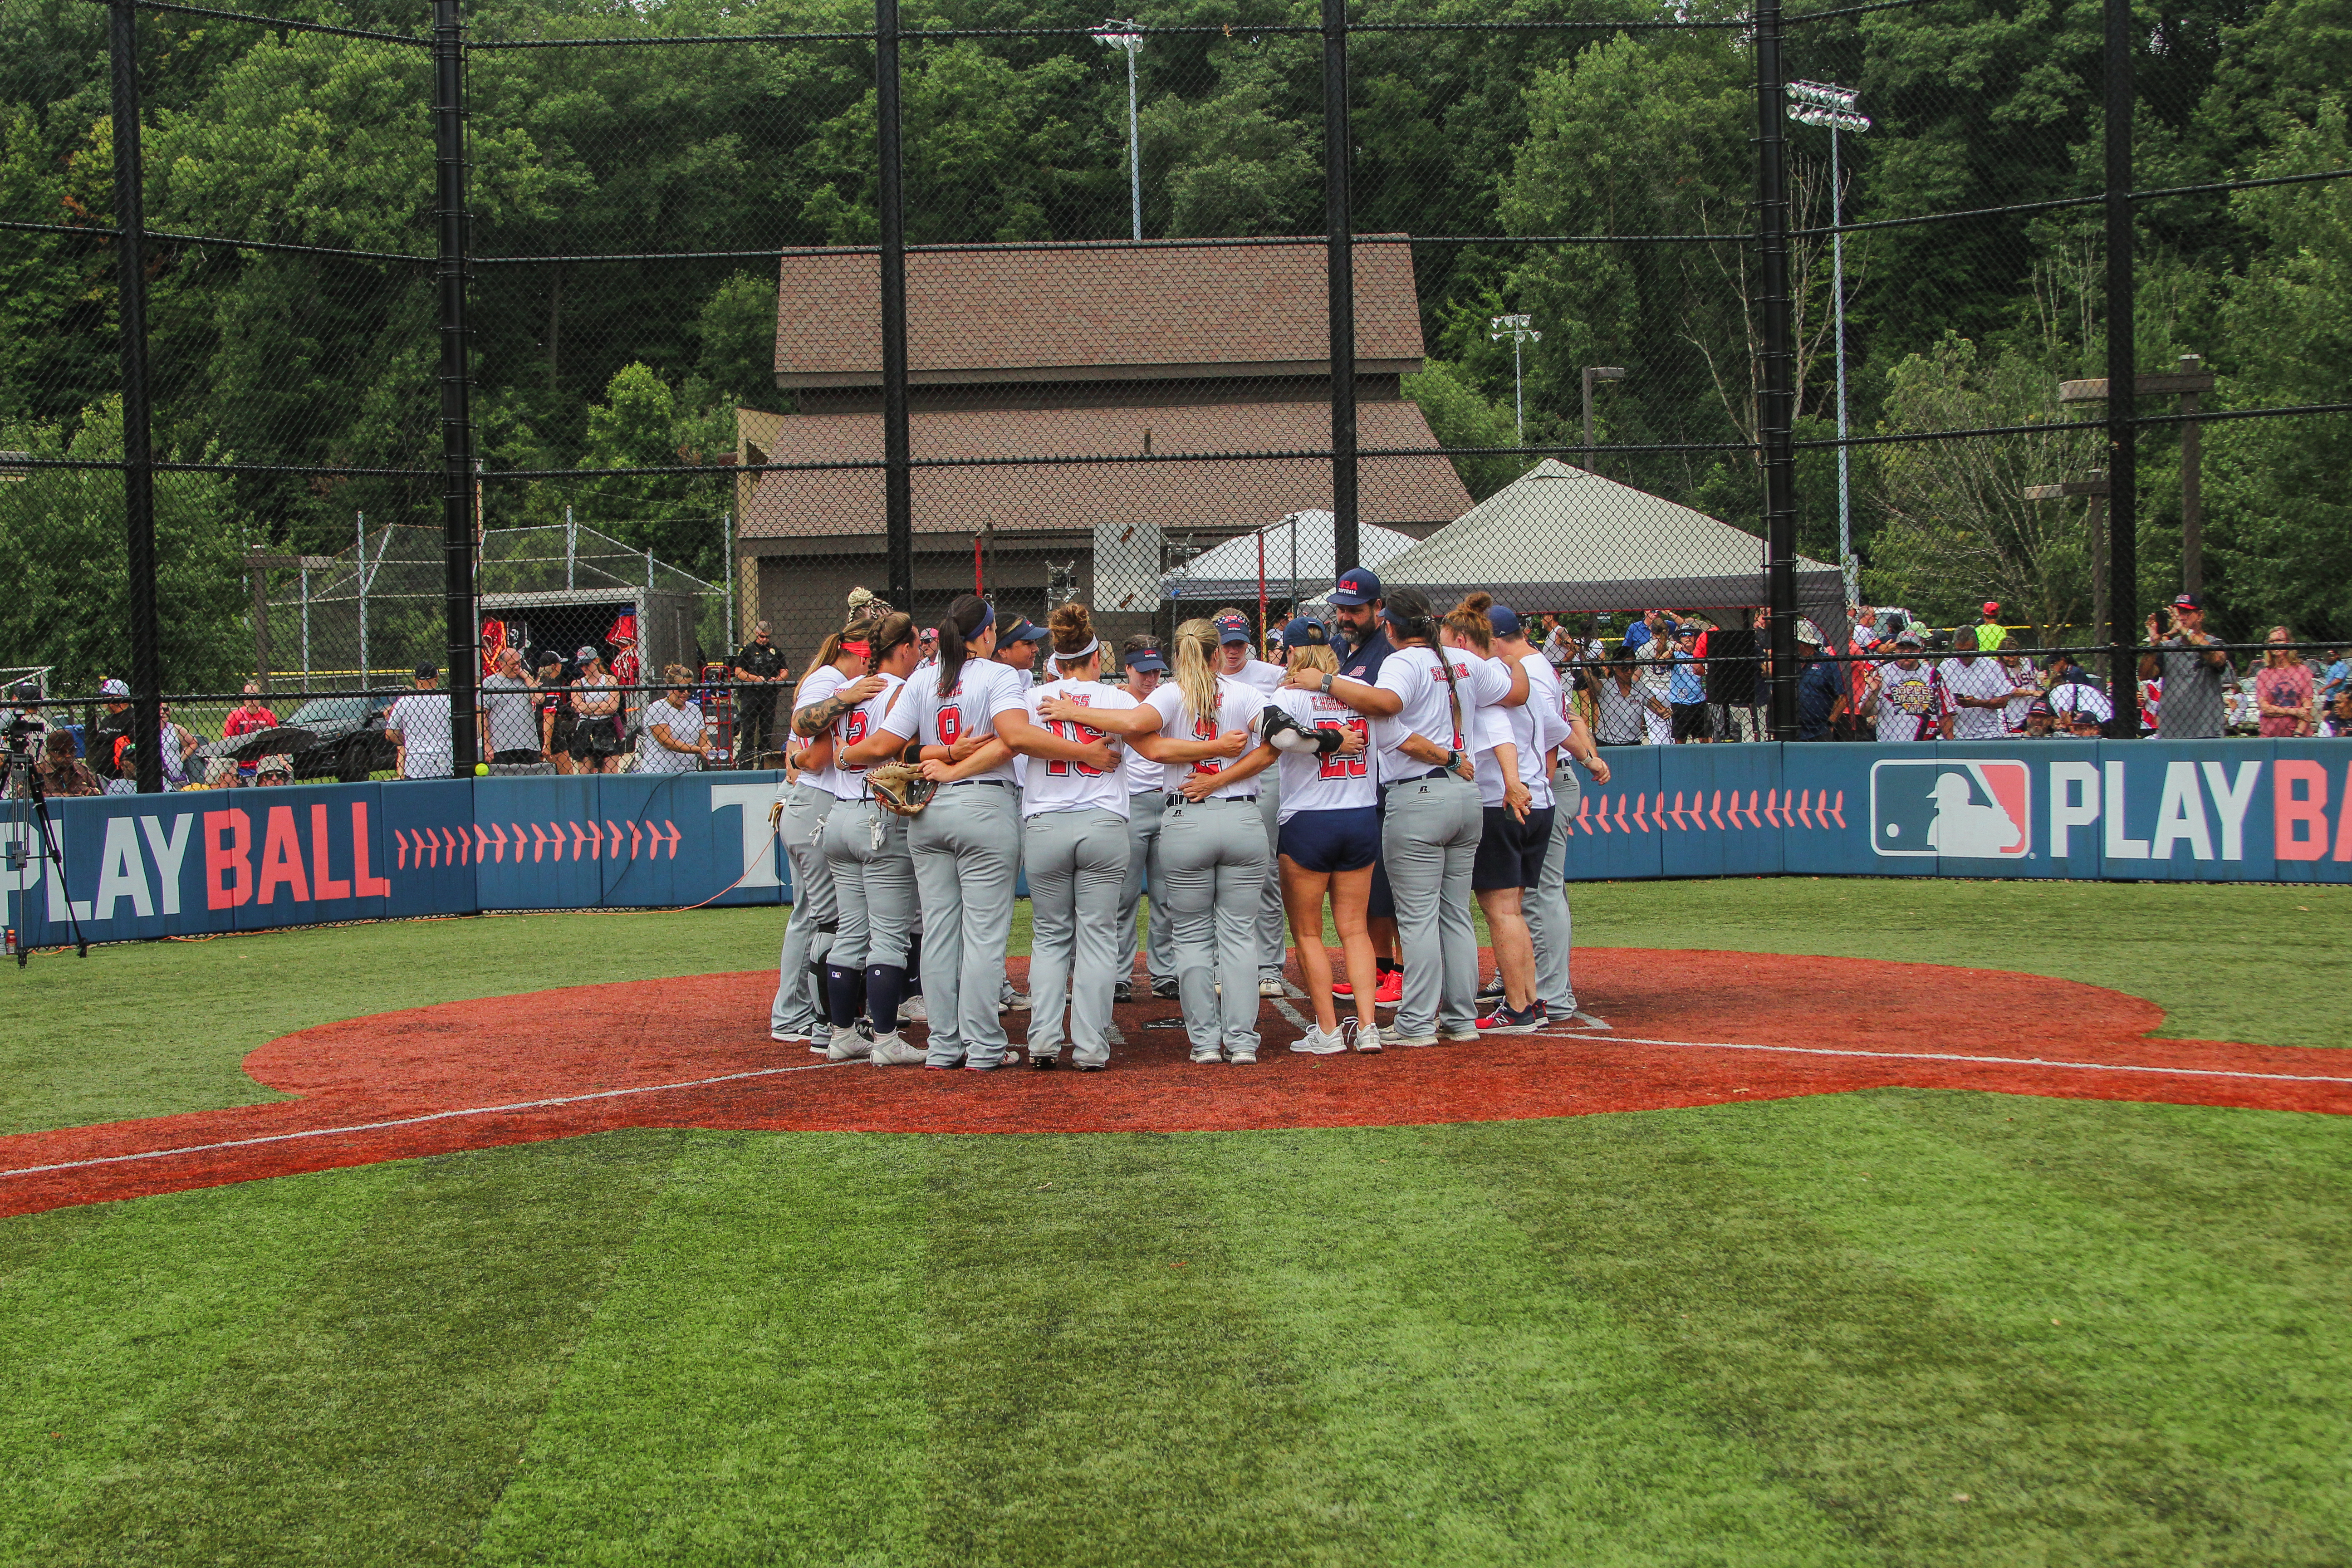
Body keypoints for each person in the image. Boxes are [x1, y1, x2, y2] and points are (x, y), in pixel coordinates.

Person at [885, 594, 1106, 1070]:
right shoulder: (998, 674)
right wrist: (1085, 754)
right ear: (987, 634)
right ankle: (983, 1046)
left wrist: (929, 756)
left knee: (940, 933)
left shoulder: (923, 678)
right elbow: (1017, 739)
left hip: (930, 808)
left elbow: (889, 747)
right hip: (983, 805)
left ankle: (944, 1046)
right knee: (982, 936)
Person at [1304, 585, 1509, 1049]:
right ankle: (1459, 1018)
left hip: (1418, 796)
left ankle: (1418, 1022)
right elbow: (1515, 690)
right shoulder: (1462, 659)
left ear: (1390, 625)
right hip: (1465, 796)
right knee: (1455, 914)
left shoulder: (1402, 661)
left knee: (1418, 917)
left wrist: (1323, 682)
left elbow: (1388, 712)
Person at [1050, 617, 1261, 1063]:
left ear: (1180, 656)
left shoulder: (1170, 693)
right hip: (1242, 815)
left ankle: (1205, 1044)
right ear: (1218, 652)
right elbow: (1280, 740)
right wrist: (1224, 763)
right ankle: (1241, 1042)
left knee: (1191, 936)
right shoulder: (1246, 692)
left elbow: (1134, 726)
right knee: (1239, 936)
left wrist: (1073, 712)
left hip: (1186, 818)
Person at [1004, 602, 1135, 1070]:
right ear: (1097, 657)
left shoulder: (1029, 699)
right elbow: (1144, 757)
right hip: (1102, 820)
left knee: (1051, 936)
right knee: (1099, 937)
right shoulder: (1118, 699)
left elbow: (1017, 760)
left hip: (1046, 822)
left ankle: (1041, 1043)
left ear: (1055, 661)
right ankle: (1091, 1049)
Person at [772, 599, 892, 1052]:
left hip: (813, 805)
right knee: (828, 921)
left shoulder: (833, 677)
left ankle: (796, 1013)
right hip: (815, 805)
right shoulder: (830, 680)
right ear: (862, 652)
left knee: (813, 915)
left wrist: (798, 759)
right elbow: (817, 755)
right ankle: (816, 1021)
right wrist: (801, 759)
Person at [1259, 617, 1380, 1054]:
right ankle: (1368, 1027)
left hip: (1309, 818)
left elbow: (1282, 741)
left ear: (1291, 654)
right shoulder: (1357, 692)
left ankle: (1328, 1031)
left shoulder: (1287, 696)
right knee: (1355, 929)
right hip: (1361, 814)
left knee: (1309, 933)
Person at [823, 610, 930, 1065]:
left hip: (840, 813)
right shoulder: (899, 690)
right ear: (904, 646)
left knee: (850, 933)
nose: (920, 653)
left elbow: (819, 736)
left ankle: (842, 1034)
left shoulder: (848, 692)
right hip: (878, 816)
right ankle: (885, 1040)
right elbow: (895, 747)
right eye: (916, 645)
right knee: (889, 937)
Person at [1493, 604, 1607, 1025]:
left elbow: (1548, 736)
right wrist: (1591, 758)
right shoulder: (1536, 663)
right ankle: (1535, 985)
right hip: (1546, 783)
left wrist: (1534, 782)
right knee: (1535, 894)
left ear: (1496, 639)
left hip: (1542, 786)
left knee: (1541, 895)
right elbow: (1567, 719)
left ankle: (1554, 995)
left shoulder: (1530, 670)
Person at [1454, 598, 1558, 1033]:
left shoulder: (1485, 684)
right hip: (1538, 800)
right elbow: (1559, 730)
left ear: (1464, 642)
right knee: (1513, 909)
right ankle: (1531, 1001)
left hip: (1503, 801)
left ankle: (1519, 1006)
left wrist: (1513, 783)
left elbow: (1498, 734)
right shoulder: (1523, 676)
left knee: (1503, 911)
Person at [1324, 567, 1404, 1008]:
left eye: (1355, 610)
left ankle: (1402, 973)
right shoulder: (1353, 652)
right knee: (1373, 889)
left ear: (1378, 608)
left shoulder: (1388, 652)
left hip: (1390, 781)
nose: (1346, 618)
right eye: (1341, 610)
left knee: (1393, 889)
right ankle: (1380, 968)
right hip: (1366, 786)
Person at [1210, 608, 1291, 999]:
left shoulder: (1270, 675)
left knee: (1265, 871)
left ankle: (1269, 968)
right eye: (1227, 644)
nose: (1234, 651)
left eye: (1240, 643)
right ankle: (1220, 965)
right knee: (1213, 876)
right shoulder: (1200, 673)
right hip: (1214, 777)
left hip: (1262, 773)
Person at [1112, 635, 1176, 1004]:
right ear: (1128, 668)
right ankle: (1120, 974)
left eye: (1156, 670)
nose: (1151, 677)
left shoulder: (1168, 697)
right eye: (1144, 670)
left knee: (1167, 895)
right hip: (1132, 802)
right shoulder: (1116, 699)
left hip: (1167, 799)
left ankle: (1164, 972)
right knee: (1123, 897)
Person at [2141, 593, 2231, 740]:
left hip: (2206, 730)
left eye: (2186, 613)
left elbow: (2217, 660)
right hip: (2171, 730)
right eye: (2178, 613)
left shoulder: (2214, 643)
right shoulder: (2167, 647)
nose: (2181, 617)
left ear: (2200, 616)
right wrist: (2154, 643)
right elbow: (2145, 674)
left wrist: (2185, 631)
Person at [1943, 624, 2026, 741]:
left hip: (1989, 735)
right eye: (1959, 652)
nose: (1964, 657)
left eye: (1968, 652)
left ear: (1977, 647)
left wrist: (1977, 703)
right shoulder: (1945, 666)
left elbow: (2003, 702)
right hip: (1956, 735)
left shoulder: (1991, 666)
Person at [1862, 632, 1947, 741]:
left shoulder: (1932, 675)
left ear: (1919, 650)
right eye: (1902, 648)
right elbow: (1866, 713)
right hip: (1890, 742)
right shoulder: (1882, 673)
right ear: (1896, 650)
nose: (1906, 652)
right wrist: (1873, 693)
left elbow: (1944, 713)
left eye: (1911, 648)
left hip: (1925, 742)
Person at [729, 620, 792, 766]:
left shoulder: (775, 651)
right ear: (757, 633)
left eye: (767, 637)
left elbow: (785, 671)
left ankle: (765, 764)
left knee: (767, 731)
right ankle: (747, 764)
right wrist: (756, 679)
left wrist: (775, 679)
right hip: (751, 694)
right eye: (762, 637)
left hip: (769, 695)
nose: (764, 640)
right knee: (749, 731)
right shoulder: (747, 650)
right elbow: (738, 672)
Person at [638, 666, 712, 773]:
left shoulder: (694, 709)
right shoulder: (658, 708)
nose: (686, 693)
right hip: (660, 771)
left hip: (689, 771)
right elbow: (668, 742)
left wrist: (708, 748)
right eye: (681, 689)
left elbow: (703, 740)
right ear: (669, 687)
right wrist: (699, 750)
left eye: (689, 689)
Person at [385, 664, 454, 779]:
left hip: (416, 765)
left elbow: (390, 733)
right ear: (437, 678)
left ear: (415, 679)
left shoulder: (405, 702)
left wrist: (406, 741)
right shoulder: (449, 700)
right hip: (445, 763)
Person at [479, 646, 542, 764]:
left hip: (528, 744)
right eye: (513, 664)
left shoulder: (526, 681)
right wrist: (487, 744)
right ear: (501, 664)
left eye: (519, 662)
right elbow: (482, 716)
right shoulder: (489, 682)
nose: (517, 667)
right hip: (502, 746)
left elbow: (539, 699)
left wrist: (527, 677)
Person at [569, 648, 627, 773]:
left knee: (610, 772)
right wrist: (603, 705)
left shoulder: (610, 680)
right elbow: (579, 708)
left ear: (596, 661)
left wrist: (589, 707)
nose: (584, 668)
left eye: (587, 664)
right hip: (586, 727)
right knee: (586, 772)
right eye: (581, 665)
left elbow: (613, 707)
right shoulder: (577, 683)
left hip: (607, 726)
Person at [2255, 626, 2317, 738]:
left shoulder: (2303, 671)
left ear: (2289, 643)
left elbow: (2307, 709)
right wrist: (2295, 712)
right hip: (2270, 734)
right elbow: (2265, 709)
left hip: (2298, 734)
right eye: (2272, 641)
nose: (2275, 644)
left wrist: (2298, 733)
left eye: (2279, 640)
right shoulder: (2263, 674)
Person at [1793, 621, 1845, 741]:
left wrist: (1831, 723)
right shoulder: (1790, 663)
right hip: (1793, 729)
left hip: (1819, 730)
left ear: (1802, 644)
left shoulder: (1827, 663)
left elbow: (1842, 697)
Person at [1664, 623, 1710, 742]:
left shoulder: (1701, 654)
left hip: (1699, 700)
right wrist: (1672, 649)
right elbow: (1661, 662)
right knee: (1680, 738)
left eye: (1691, 634)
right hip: (1680, 701)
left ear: (1695, 637)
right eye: (1684, 635)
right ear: (1680, 639)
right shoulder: (1675, 654)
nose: (1687, 637)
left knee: (1704, 737)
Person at [26, 729, 102, 798]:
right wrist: (60, 797)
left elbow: (98, 792)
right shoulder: (37, 772)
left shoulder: (83, 771)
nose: (68, 755)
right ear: (49, 753)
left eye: (72, 750)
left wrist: (93, 792)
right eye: (61, 752)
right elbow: (24, 797)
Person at [535, 651, 577, 773]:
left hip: (534, 733)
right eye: (560, 664)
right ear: (554, 666)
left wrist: (565, 711)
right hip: (550, 735)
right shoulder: (551, 684)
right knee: (568, 774)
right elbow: (548, 715)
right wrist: (548, 744)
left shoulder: (536, 682)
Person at [89, 679, 136, 783]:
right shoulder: (107, 719)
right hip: (103, 775)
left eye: (107, 697)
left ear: (119, 697)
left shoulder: (132, 717)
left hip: (121, 777)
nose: (104, 700)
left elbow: (135, 746)